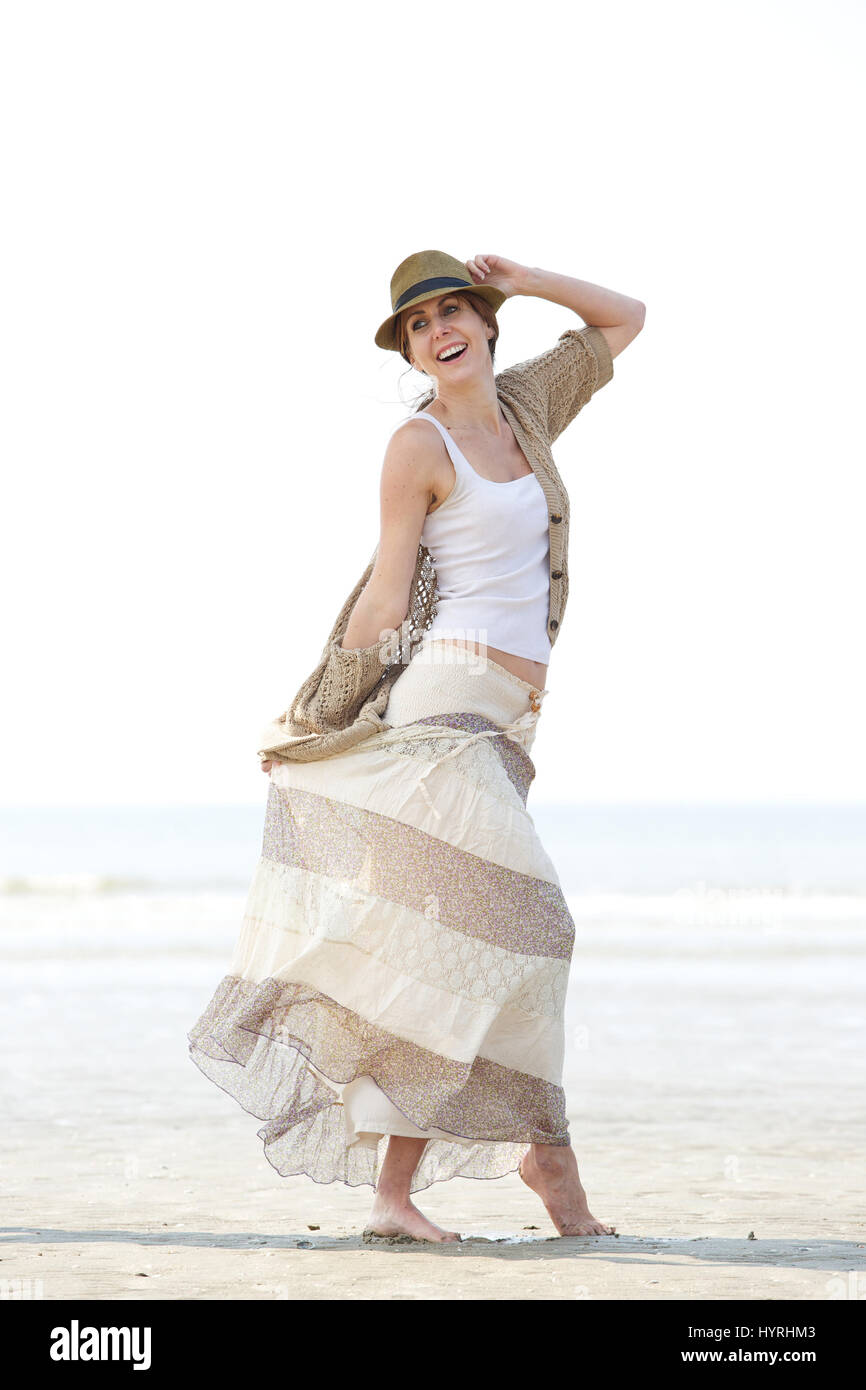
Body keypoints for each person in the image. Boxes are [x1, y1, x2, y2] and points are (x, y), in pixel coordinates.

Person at [188, 248, 645, 1244]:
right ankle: (548, 1158)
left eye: (452, 310)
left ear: (483, 323)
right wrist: (321, 717)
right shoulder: (416, 444)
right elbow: (385, 599)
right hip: (439, 713)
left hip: (512, 727)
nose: (437, 329)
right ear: (408, 350)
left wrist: (522, 275)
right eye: (416, 323)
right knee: (539, 926)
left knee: (452, 950)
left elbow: (623, 318)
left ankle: (401, 1198)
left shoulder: (526, 407)